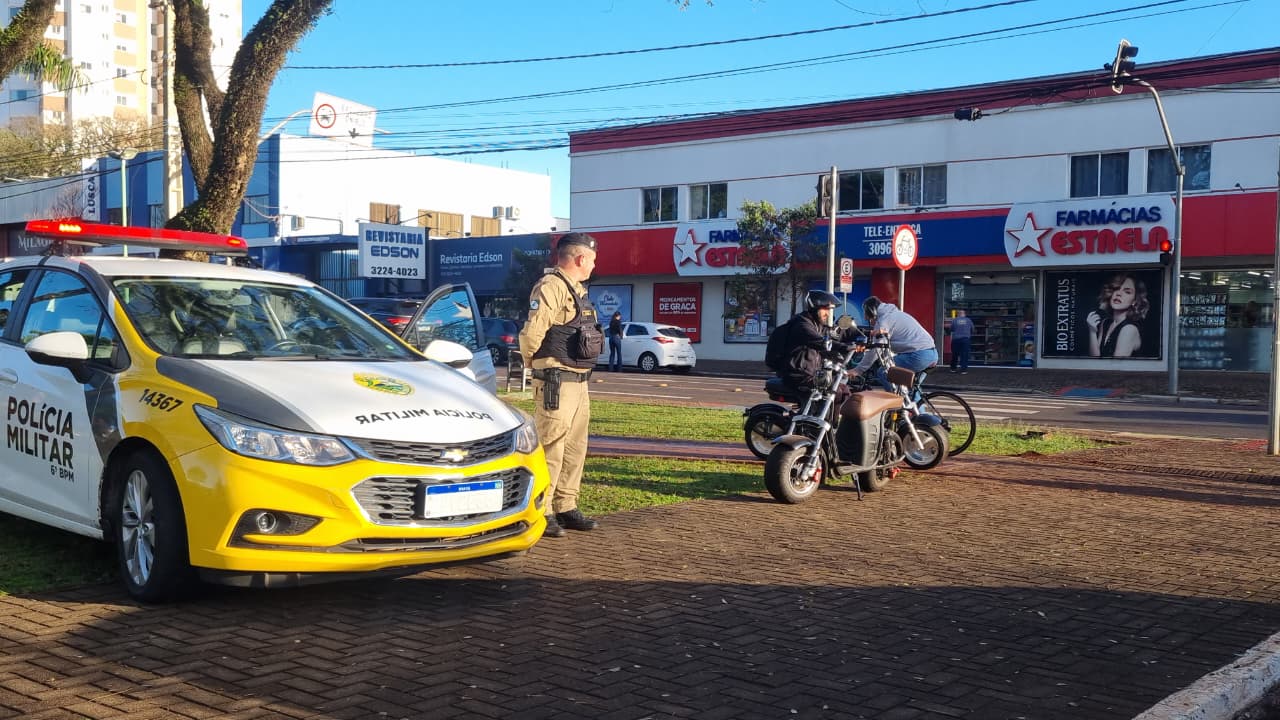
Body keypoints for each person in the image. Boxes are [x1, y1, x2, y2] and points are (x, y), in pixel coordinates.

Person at [518, 233, 602, 538]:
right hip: (556, 381)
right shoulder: (551, 286)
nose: (594, 266)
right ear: (580, 258)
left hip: (578, 381)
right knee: (551, 446)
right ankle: (543, 510)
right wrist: (535, 366)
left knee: (575, 447)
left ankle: (566, 505)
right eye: (592, 260)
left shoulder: (577, 290)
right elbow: (533, 332)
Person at [773, 290, 853, 395]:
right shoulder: (802, 325)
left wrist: (867, 334)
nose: (828, 313)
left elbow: (834, 333)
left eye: (829, 310)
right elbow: (819, 341)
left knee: (843, 388)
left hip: (810, 374)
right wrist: (845, 347)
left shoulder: (817, 325)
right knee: (838, 391)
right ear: (815, 307)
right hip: (798, 376)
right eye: (825, 309)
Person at [852, 296, 939, 388]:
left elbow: (877, 347)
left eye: (867, 315)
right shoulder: (895, 314)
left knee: (885, 372)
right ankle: (914, 397)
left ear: (872, 311)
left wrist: (858, 370)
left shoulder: (884, 321)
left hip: (918, 355)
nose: (866, 319)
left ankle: (896, 398)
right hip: (932, 354)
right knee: (910, 388)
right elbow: (885, 347)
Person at [1086, 273, 1149, 358]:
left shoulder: (1129, 329)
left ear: (1134, 301)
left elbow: (1115, 365)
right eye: (1116, 289)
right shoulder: (1105, 323)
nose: (1119, 293)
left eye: (1127, 292)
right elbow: (1095, 359)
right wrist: (1092, 332)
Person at [948, 308, 974, 374]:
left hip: (956, 340)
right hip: (965, 340)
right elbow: (972, 329)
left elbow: (951, 329)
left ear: (958, 314)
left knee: (955, 354)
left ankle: (953, 368)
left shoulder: (954, 320)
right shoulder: (968, 320)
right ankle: (963, 370)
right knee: (964, 355)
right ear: (964, 314)